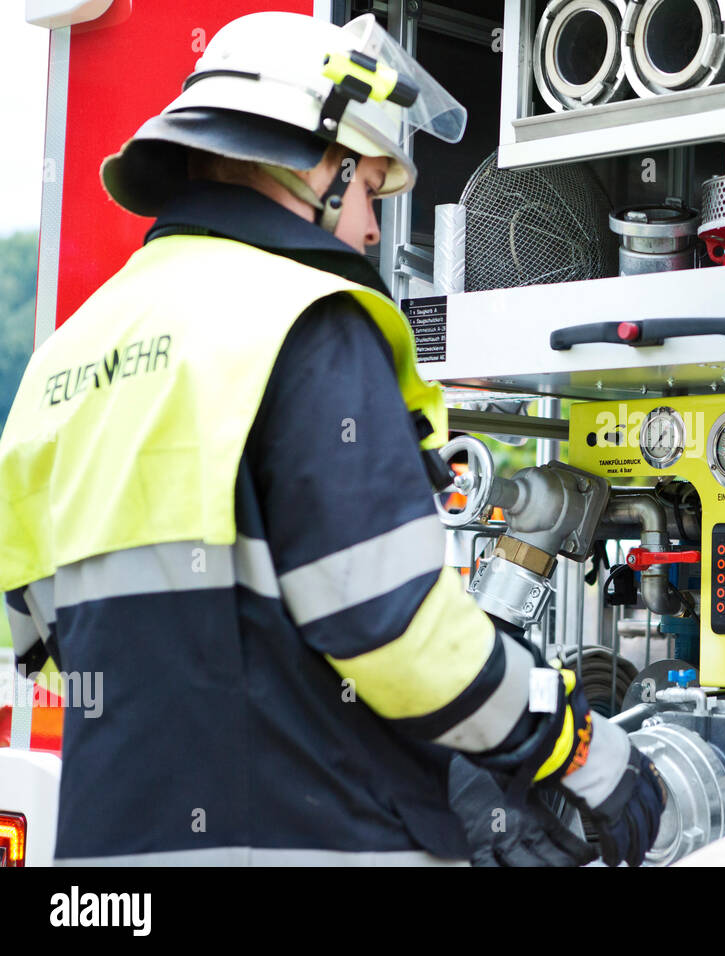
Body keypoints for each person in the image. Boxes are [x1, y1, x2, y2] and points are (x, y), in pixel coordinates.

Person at [0, 11, 664, 867]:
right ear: (320, 160)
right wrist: (579, 748)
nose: (375, 230)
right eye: (370, 188)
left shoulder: (66, 354)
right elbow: (389, 625)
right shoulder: (305, 323)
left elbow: (39, 647)